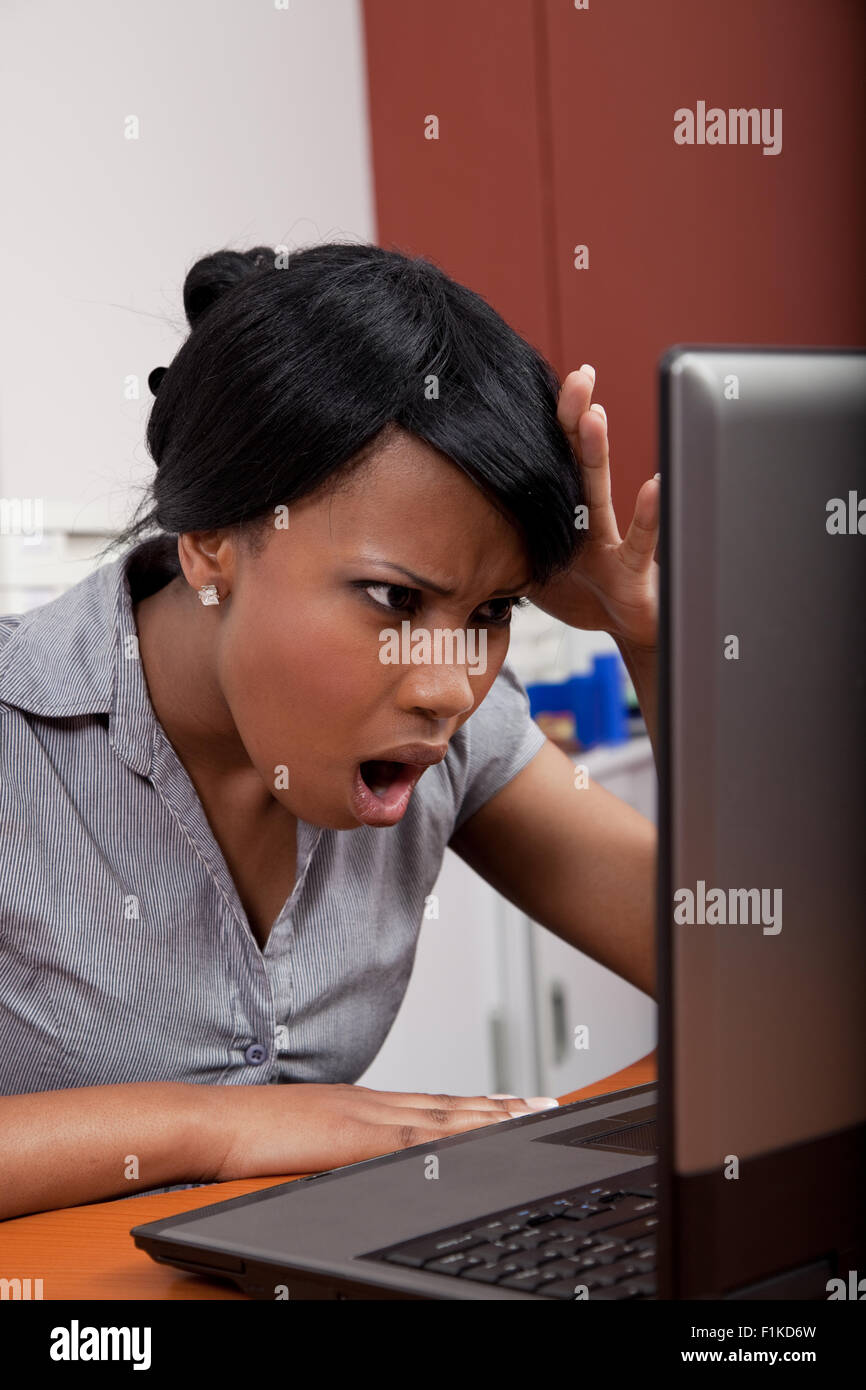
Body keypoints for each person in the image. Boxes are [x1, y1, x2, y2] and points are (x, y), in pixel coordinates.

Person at [0, 244, 659, 1220]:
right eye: (394, 596)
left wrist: (648, 636)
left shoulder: (456, 736)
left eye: (491, 610)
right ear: (212, 542)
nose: (448, 691)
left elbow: (747, 964)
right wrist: (217, 1126)